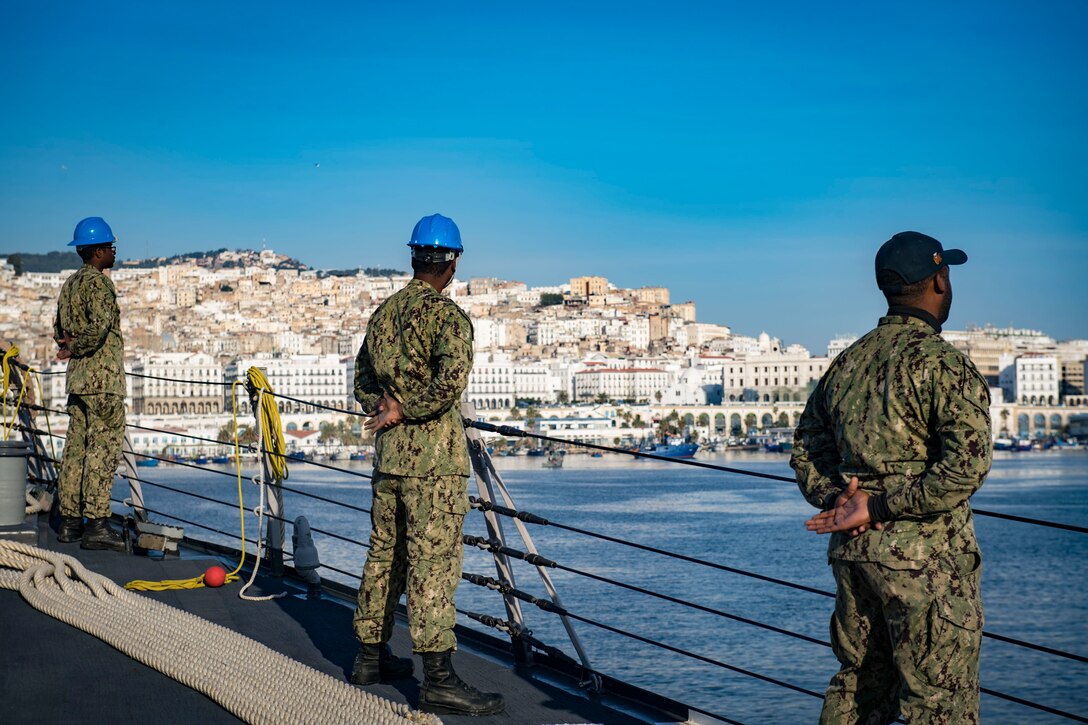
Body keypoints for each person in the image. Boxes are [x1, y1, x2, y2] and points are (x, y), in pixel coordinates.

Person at [791, 231, 992, 724]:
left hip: (854, 554)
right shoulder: (945, 365)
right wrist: (877, 508)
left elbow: (806, 449)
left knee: (857, 686)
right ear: (939, 280)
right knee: (938, 701)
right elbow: (965, 467)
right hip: (925, 564)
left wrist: (842, 501)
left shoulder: (847, 363)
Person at [349, 213, 504, 716]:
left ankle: (370, 656)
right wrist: (405, 407)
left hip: (390, 457)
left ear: (415, 255)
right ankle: (438, 678)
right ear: (452, 262)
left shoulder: (384, 315)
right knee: (433, 566)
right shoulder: (447, 317)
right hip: (434, 463)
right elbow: (449, 383)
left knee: (384, 555)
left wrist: (386, 406)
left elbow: (361, 383)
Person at [53, 216, 127, 551]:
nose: (113, 252)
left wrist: (68, 345)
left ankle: (69, 522)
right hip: (102, 381)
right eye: (110, 247)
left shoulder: (69, 285)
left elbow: (59, 331)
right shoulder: (99, 284)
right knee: (102, 450)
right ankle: (97, 525)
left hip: (78, 381)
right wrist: (76, 346)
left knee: (76, 450)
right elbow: (98, 329)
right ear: (97, 252)